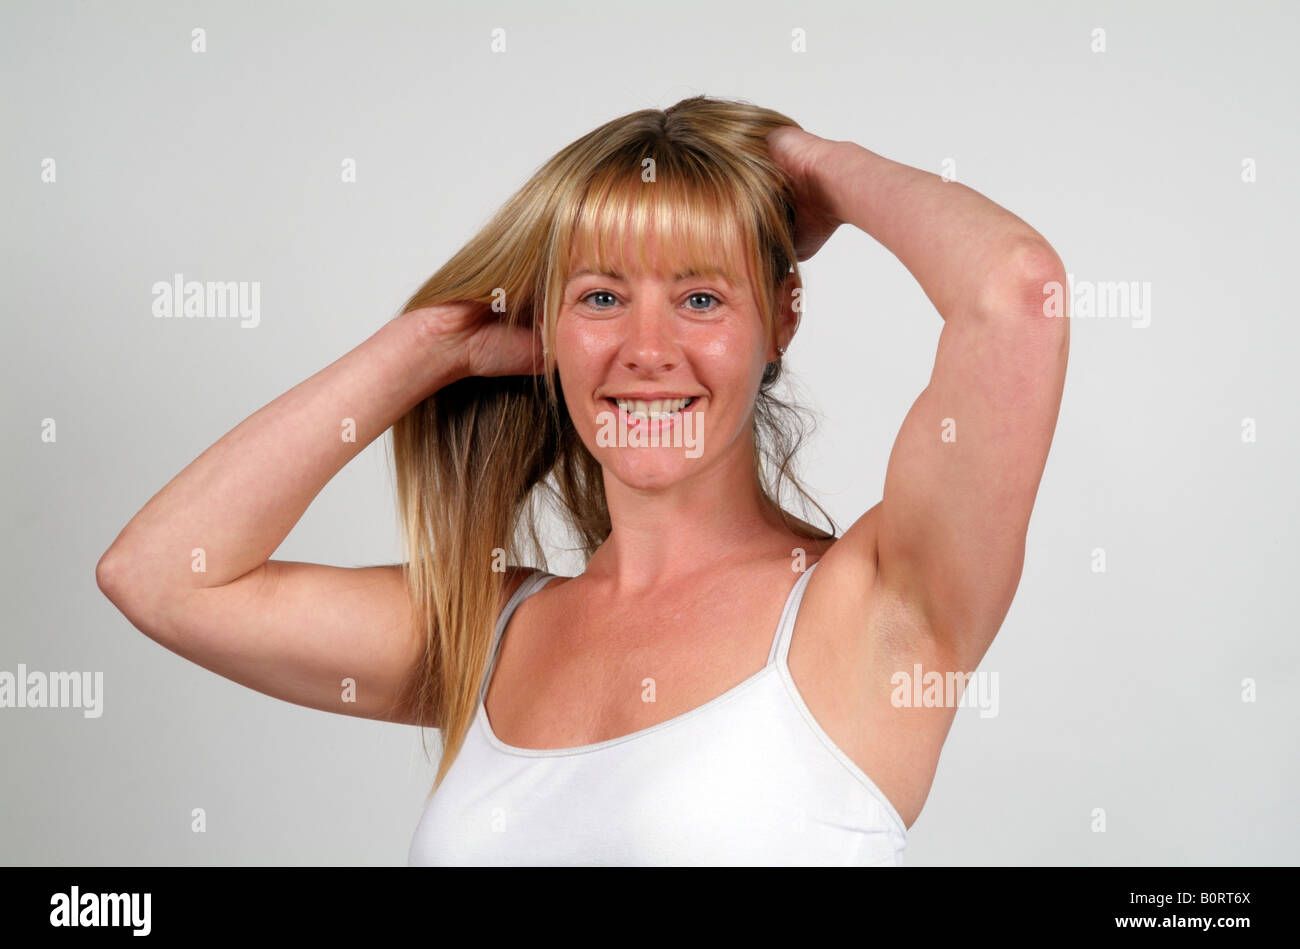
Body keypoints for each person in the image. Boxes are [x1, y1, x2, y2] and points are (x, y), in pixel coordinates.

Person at [97, 96, 1069, 866]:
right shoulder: (491, 628)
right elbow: (163, 575)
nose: (648, 349)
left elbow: (1018, 293)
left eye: (700, 296)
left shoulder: (879, 603)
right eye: (600, 297)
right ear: (546, 330)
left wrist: (807, 159)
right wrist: (428, 344)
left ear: (781, 317)